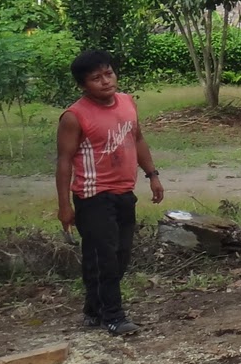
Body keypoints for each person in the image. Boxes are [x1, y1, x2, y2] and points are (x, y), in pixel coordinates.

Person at [55, 50, 164, 337]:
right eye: (96, 78)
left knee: (119, 253)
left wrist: (152, 175)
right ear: (83, 85)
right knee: (106, 257)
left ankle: (93, 309)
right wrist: (64, 205)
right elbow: (64, 161)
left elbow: (137, 138)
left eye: (109, 74)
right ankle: (113, 316)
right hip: (92, 197)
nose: (105, 82)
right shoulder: (74, 116)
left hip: (123, 193)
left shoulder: (128, 103)